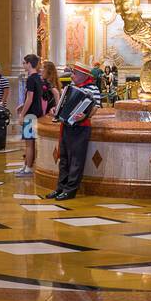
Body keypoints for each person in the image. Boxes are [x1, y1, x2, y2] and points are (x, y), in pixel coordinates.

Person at [46, 64, 101, 200]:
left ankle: (70, 190)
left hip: (81, 128)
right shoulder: (71, 87)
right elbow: (63, 104)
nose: (71, 75)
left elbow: (96, 107)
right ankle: (60, 188)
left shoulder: (92, 88)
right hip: (66, 126)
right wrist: (55, 110)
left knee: (76, 160)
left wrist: (85, 115)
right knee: (64, 159)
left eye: (75, 73)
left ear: (84, 76)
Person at [16, 54, 45, 177]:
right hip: (36, 112)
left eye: (24, 63)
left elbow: (30, 98)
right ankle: (26, 165)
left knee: (29, 143)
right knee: (31, 142)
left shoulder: (31, 79)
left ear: (29, 63)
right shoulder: (38, 78)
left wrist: (22, 114)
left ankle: (28, 168)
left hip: (30, 114)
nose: (23, 65)